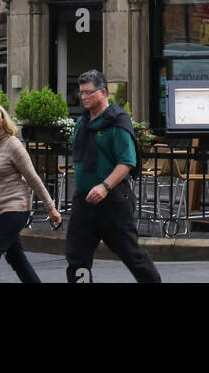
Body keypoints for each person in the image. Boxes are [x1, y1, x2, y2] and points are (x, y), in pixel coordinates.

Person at [65, 70, 161, 284]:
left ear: (104, 92)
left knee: (131, 255)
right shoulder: (82, 123)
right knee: (77, 257)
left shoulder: (117, 123)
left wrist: (104, 186)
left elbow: (127, 162)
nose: (83, 97)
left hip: (113, 201)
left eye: (88, 92)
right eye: (81, 93)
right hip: (84, 200)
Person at [0, 102, 62, 284]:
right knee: (15, 257)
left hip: (15, 208)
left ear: (0, 123)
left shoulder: (13, 145)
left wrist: (51, 208)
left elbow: (33, 178)